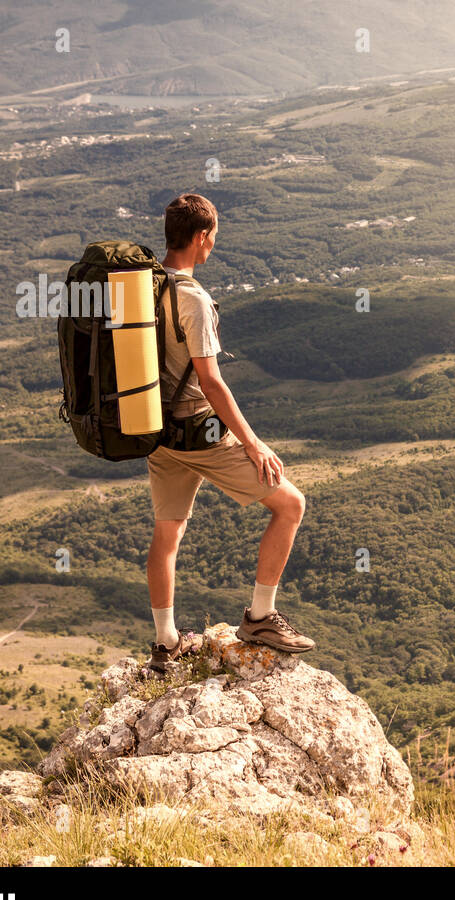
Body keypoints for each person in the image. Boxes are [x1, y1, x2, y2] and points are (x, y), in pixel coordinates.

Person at [144, 193, 314, 672]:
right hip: (200, 432)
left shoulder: (144, 285)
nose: (213, 243)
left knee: (167, 532)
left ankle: (166, 642)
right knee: (290, 504)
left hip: (156, 432)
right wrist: (252, 443)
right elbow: (211, 381)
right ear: (201, 237)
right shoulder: (191, 298)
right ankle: (260, 617)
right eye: (213, 236)